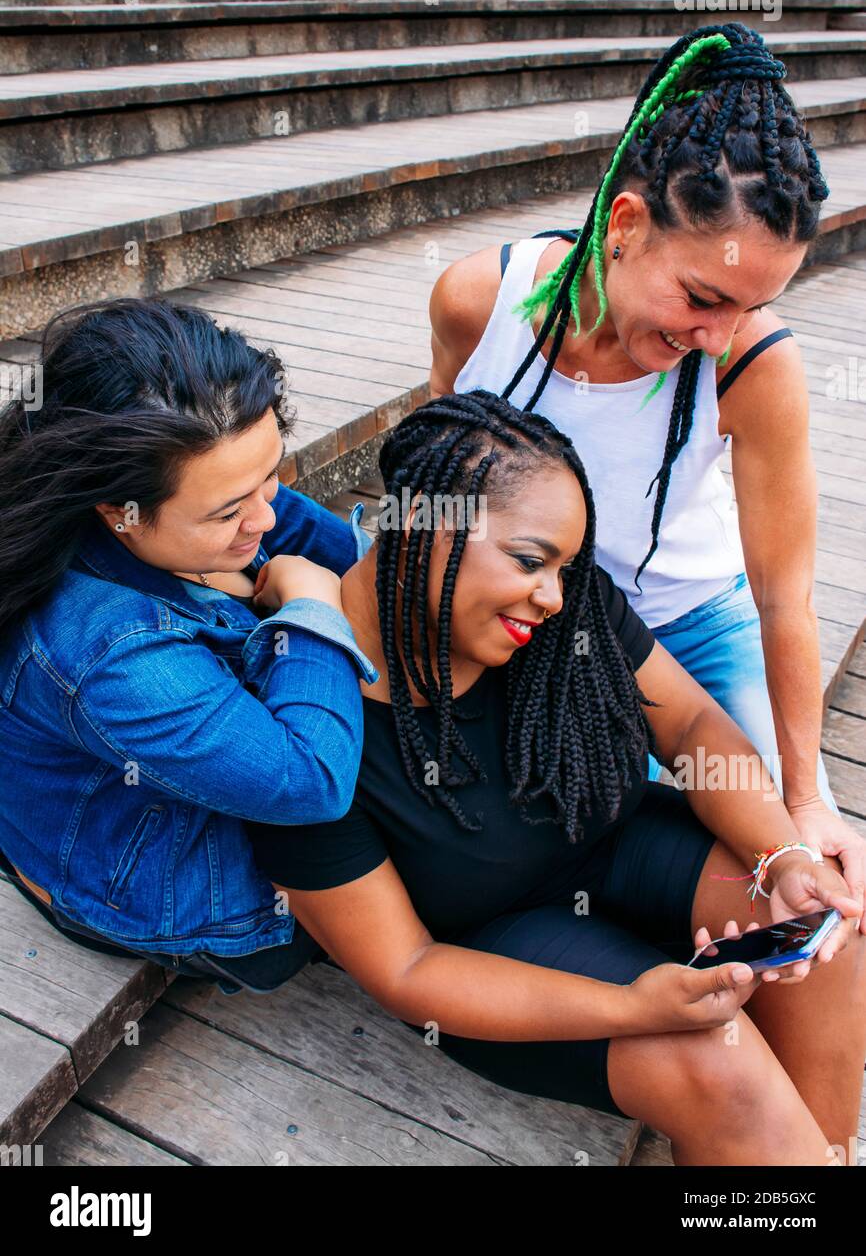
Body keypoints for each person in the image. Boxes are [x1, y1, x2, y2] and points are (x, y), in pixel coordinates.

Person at [245, 390, 866, 1166]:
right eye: (531, 561)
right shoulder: (304, 726)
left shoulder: (557, 612)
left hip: (612, 842)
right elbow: (405, 969)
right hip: (485, 940)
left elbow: (691, 727)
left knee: (829, 935)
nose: (553, 596)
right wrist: (632, 1006)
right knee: (717, 1062)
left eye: (565, 568)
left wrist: (787, 857)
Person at [428, 21, 866, 915]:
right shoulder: (479, 301)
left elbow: (786, 599)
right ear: (624, 223)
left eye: (749, 307)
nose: (715, 336)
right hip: (532, 613)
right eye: (702, 297)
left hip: (691, 624)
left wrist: (807, 793)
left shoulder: (755, 366)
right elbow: (436, 471)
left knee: (802, 870)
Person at [0, 297, 379, 996]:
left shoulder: (211, 474)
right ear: (119, 511)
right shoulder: (107, 652)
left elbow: (369, 567)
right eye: (229, 511)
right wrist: (310, 604)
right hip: (183, 892)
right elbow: (312, 783)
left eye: (272, 473)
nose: (265, 515)